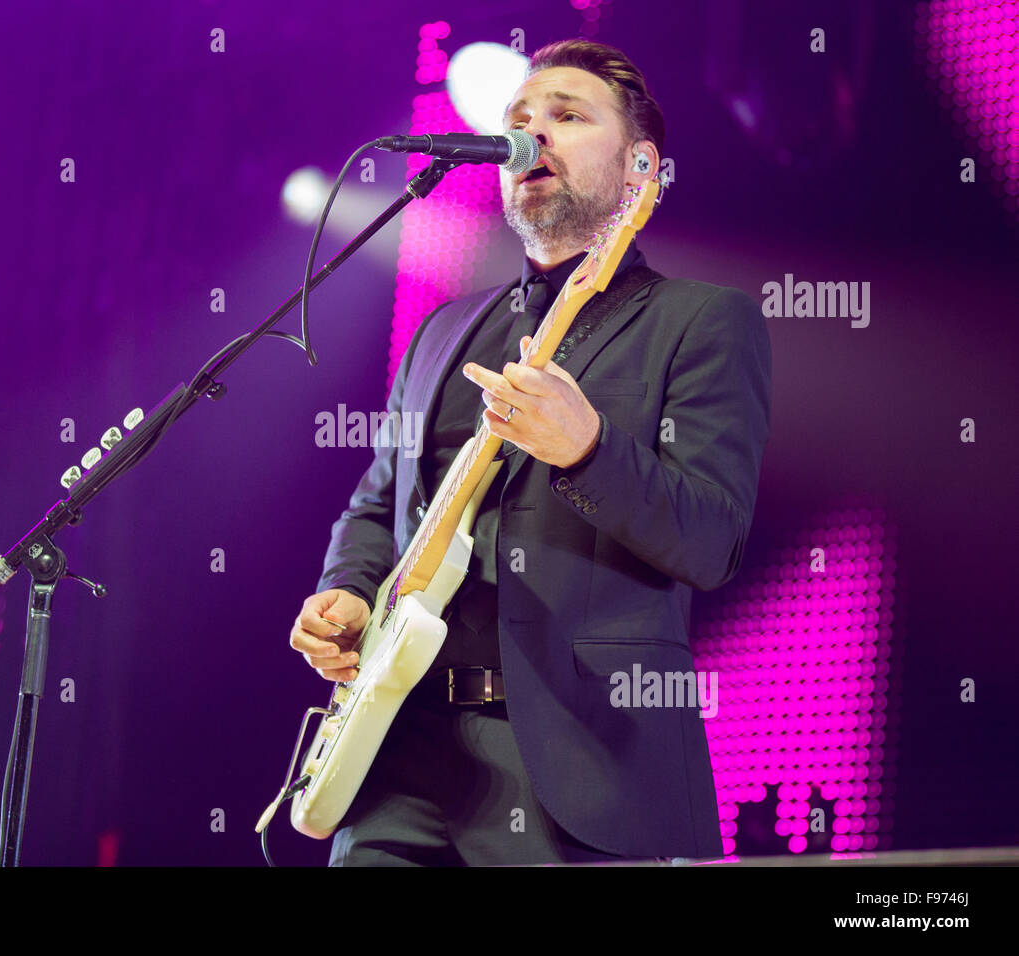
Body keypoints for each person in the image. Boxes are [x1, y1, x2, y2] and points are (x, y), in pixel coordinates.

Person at [288, 38, 771, 866]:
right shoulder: (444, 329)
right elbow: (377, 504)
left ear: (641, 165)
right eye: (518, 121)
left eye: (567, 116)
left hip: (582, 767)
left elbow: (711, 537)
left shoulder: (700, 321)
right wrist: (345, 593)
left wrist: (587, 449)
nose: (529, 134)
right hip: (397, 752)